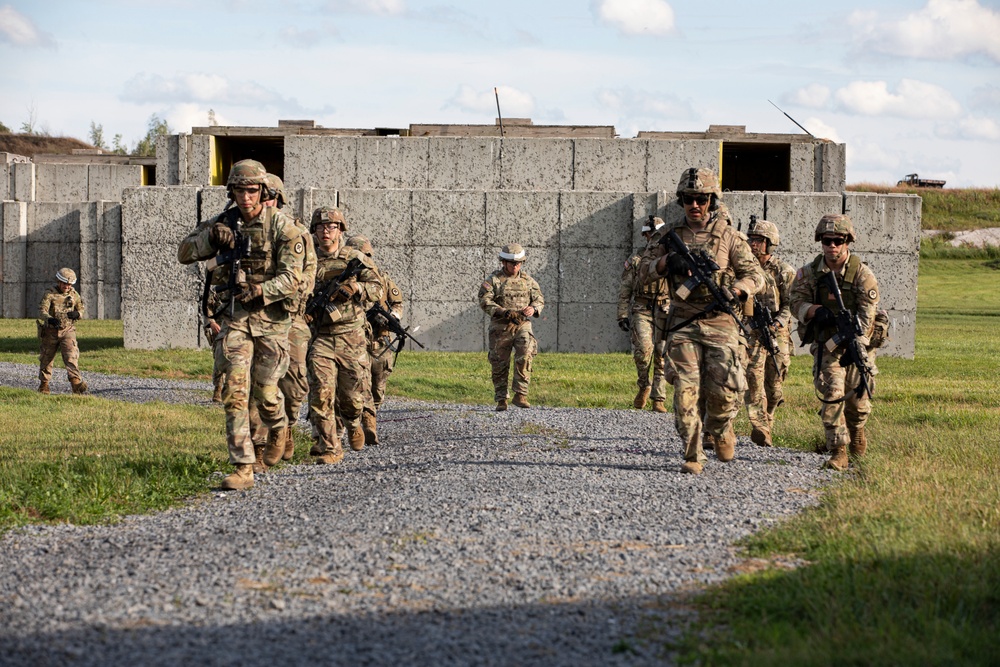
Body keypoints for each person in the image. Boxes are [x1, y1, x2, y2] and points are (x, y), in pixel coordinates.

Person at [177, 159, 305, 491]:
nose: (246, 197)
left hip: (272, 323)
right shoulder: (223, 223)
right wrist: (210, 241)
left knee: (266, 393)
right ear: (231, 192)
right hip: (234, 319)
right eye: (239, 190)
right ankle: (243, 467)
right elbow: (184, 252)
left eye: (251, 191)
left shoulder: (284, 227)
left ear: (263, 192)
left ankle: (279, 426)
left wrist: (262, 290)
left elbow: (293, 278)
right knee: (235, 392)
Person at [639, 167, 764, 475]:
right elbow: (641, 271)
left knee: (722, 393)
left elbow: (755, 276)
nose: (695, 206)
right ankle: (693, 453)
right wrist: (667, 262)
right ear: (681, 201)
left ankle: (721, 429)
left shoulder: (729, 238)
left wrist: (737, 289)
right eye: (689, 199)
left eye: (702, 200)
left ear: (712, 201)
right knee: (684, 394)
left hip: (721, 322)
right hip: (683, 322)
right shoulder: (668, 237)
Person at [789, 214, 883, 471]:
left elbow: (867, 318)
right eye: (827, 240)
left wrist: (857, 344)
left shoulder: (863, 275)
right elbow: (794, 301)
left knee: (858, 402)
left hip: (857, 344)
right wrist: (813, 311)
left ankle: (857, 430)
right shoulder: (809, 273)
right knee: (832, 394)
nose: (832, 246)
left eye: (838, 240)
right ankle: (838, 450)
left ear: (847, 242)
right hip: (826, 344)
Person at [306, 207, 382, 464]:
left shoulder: (355, 257)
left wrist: (356, 287)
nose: (326, 232)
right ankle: (330, 447)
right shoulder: (306, 260)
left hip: (351, 335)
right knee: (321, 393)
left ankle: (353, 422)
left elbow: (377, 287)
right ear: (314, 231)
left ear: (340, 230)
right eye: (320, 227)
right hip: (321, 337)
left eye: (331, 227)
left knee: (351, 396)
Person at [265, 174, 317, 463]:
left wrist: (287, 293)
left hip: (290, 316)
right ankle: (266, 438)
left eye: (270, 196)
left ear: (279, 199)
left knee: (294, 383)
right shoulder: (244, 229)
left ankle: (288, 425)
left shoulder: (296, 233)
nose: (266, 202)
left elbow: (308, 275)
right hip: (257, 317)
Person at [345, 234, 404, 446]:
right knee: (356, 382)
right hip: (355, 338)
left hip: (380, 340)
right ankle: (364, 423)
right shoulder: (343, 279)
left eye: (365, 255)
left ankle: (372, 414)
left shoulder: (382, 278)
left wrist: (391, 317)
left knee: (378, 385)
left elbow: (397, 302)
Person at [742, 218, 795, 447]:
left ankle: (769, 414)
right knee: (754, 379)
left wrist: (778, 324)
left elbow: (792, 303)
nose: (753, 244)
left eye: (758, 240)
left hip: (777, 330)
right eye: (751, 239)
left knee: (774, 386)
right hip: (752, 329)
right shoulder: (744, 269)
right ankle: (760, 427)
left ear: (770, 243)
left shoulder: (783, 271)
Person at [478, 244, 545, 411]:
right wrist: (502, 311)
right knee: (499, 363)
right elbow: (485, 300)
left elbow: (539, 299)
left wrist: (534, 309)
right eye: (511, 263)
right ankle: (502, 399)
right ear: (504, 262)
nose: (515, 266)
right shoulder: (493, 280)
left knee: (526, 352)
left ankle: (520, 394)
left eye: (518, 263)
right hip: (501, 327)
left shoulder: (529, 281)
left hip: (522, 324)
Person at [617, 215, 671, 412]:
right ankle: (644, 385)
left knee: (661, 353)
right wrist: (622, 314)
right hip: (642, 308)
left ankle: (659, 398)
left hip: (664, 308)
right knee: (643, 351)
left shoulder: (670, 257)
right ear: (646, 235)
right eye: (652, 235)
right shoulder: (637, 259)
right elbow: (625, 289)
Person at [37, 268, 87, 395]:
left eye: (69, 284)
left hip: (67, 330)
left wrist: (78, 314)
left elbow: (81, 309)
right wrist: (50, 319)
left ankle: (76, 384)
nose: (67, 286)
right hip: (50, 332)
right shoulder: (50, 294)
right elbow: (42, 311)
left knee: (71, 356)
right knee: (46, 358)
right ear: (59, 282)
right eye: (65, 283)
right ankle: (44, 385)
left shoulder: (74, 295)